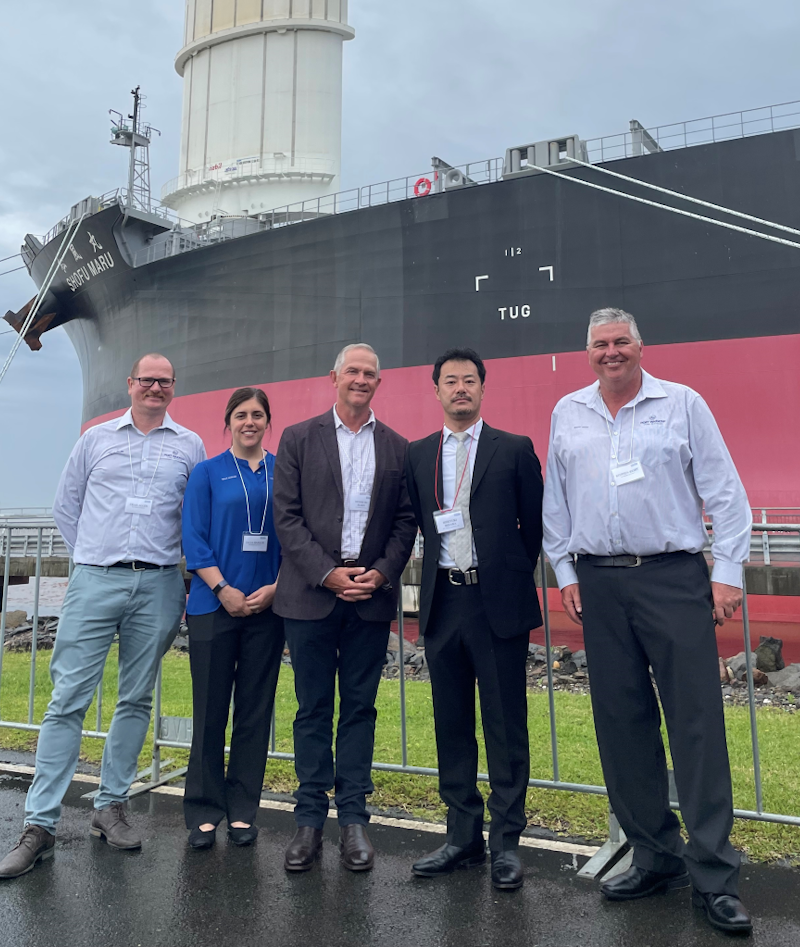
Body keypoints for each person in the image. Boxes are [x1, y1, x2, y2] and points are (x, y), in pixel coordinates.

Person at [542, 308, 753, 935]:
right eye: (600, 344)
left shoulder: (683, 403)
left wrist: (728, 572)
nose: (611, 352)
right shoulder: (567, 413)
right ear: (588, 352)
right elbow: (557, 500)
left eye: (621, 342)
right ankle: (655, 855)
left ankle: (714, 874)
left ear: (640, 347)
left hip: (672, 576)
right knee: (621, 723)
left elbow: (725, 491)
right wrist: (565, 572)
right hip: (599, 583)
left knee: (695, 722)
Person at [0, 354, 204, 880]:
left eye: (164, 380)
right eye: (146, 379)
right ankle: (39, 825)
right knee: (67, 699)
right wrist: (94, 555)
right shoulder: (95, 440)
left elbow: (193, 512)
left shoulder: (190, 445)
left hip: (158, 581)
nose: (154, 387)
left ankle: (109, 807)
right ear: (130, 384)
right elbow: (67, 505)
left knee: (136, 698)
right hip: (95, 578)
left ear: (173, 388)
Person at [273, 343, 417, 874]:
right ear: (334, 377)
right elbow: (286, 518)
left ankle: (354, 820)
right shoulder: (297, 438)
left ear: (379, 382)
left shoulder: (398, 448)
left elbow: (407, 522)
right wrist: (326, 573)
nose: (361, 379)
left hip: (370, 598)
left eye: (370, 373)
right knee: (312, 710)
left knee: (359, 710)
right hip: (311, 596)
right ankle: (308, 821)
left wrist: (380, 573)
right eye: (352, 371)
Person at [404, 348, 543, 892]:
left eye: (469, 381)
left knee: (506, 725)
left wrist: (504, 578)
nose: (459, 389)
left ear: (483, 388)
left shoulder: (514, 449)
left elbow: (531, 528)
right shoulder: (418, 455)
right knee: (452, 724)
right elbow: (421, 522)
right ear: (435, 390)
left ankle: (507, 841)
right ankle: (462, 835)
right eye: (450, 381)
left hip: (496, 601)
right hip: (444, 603)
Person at [181, 387, 283, 850]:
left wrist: (279, 586)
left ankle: (243, 810)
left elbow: (297, 534)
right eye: (241, 415)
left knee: (254, 712)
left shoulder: (285, 471)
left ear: (267, 421)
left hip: (268, 607)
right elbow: (193, 538)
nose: (249, 422)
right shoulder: (207, 472)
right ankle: (203, 809)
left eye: (257, 414)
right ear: (228, 422)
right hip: (213, 606)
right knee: (210, 711)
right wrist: (222, 589)